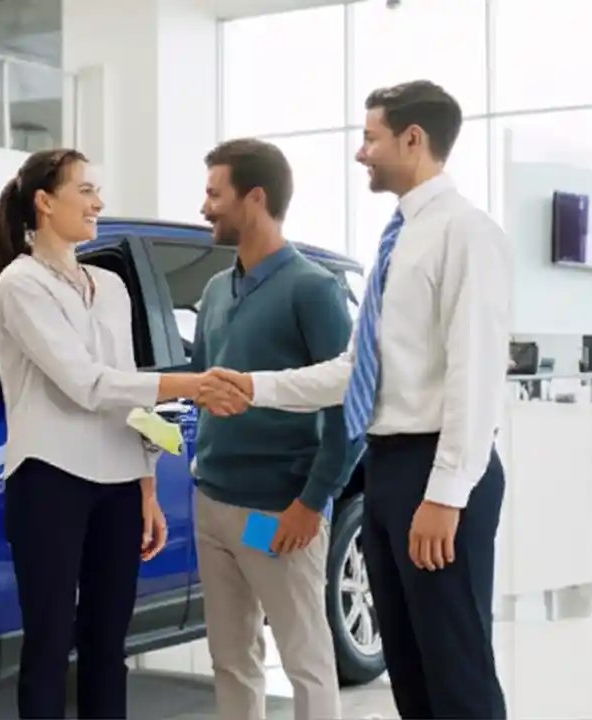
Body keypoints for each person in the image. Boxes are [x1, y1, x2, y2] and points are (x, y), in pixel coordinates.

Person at [203, 80, 513, 719]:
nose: (360, 153)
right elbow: (354, 372)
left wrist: (446, 493)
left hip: (434, 470)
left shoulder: (465, 233)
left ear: (413, 139)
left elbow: (475, 374)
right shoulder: (400, 238)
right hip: (390, 469)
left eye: (370, 138)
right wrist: (253, 385)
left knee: (456, 669)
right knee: (409, 665)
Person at [0, 148, 247, 719]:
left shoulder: (109, 286)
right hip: (48, 481)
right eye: (85, 190)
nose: (98, 202)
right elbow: (85, 384)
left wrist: (147, 483)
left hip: (118, 484)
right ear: (44, 201)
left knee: (109, 648)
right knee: (50, 646)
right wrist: (191, 384)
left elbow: (127, 391)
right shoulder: (19, 284)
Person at [187, 138, 355, 720]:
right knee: (231, 659)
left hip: (276, 515)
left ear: (254, 198)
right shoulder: (213, 292)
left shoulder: (312, 290)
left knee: (305, 658)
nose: (205, 207)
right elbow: (203, 389)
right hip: (212, 507)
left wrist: (311, 504)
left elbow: (349, 410)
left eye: (215, 194)